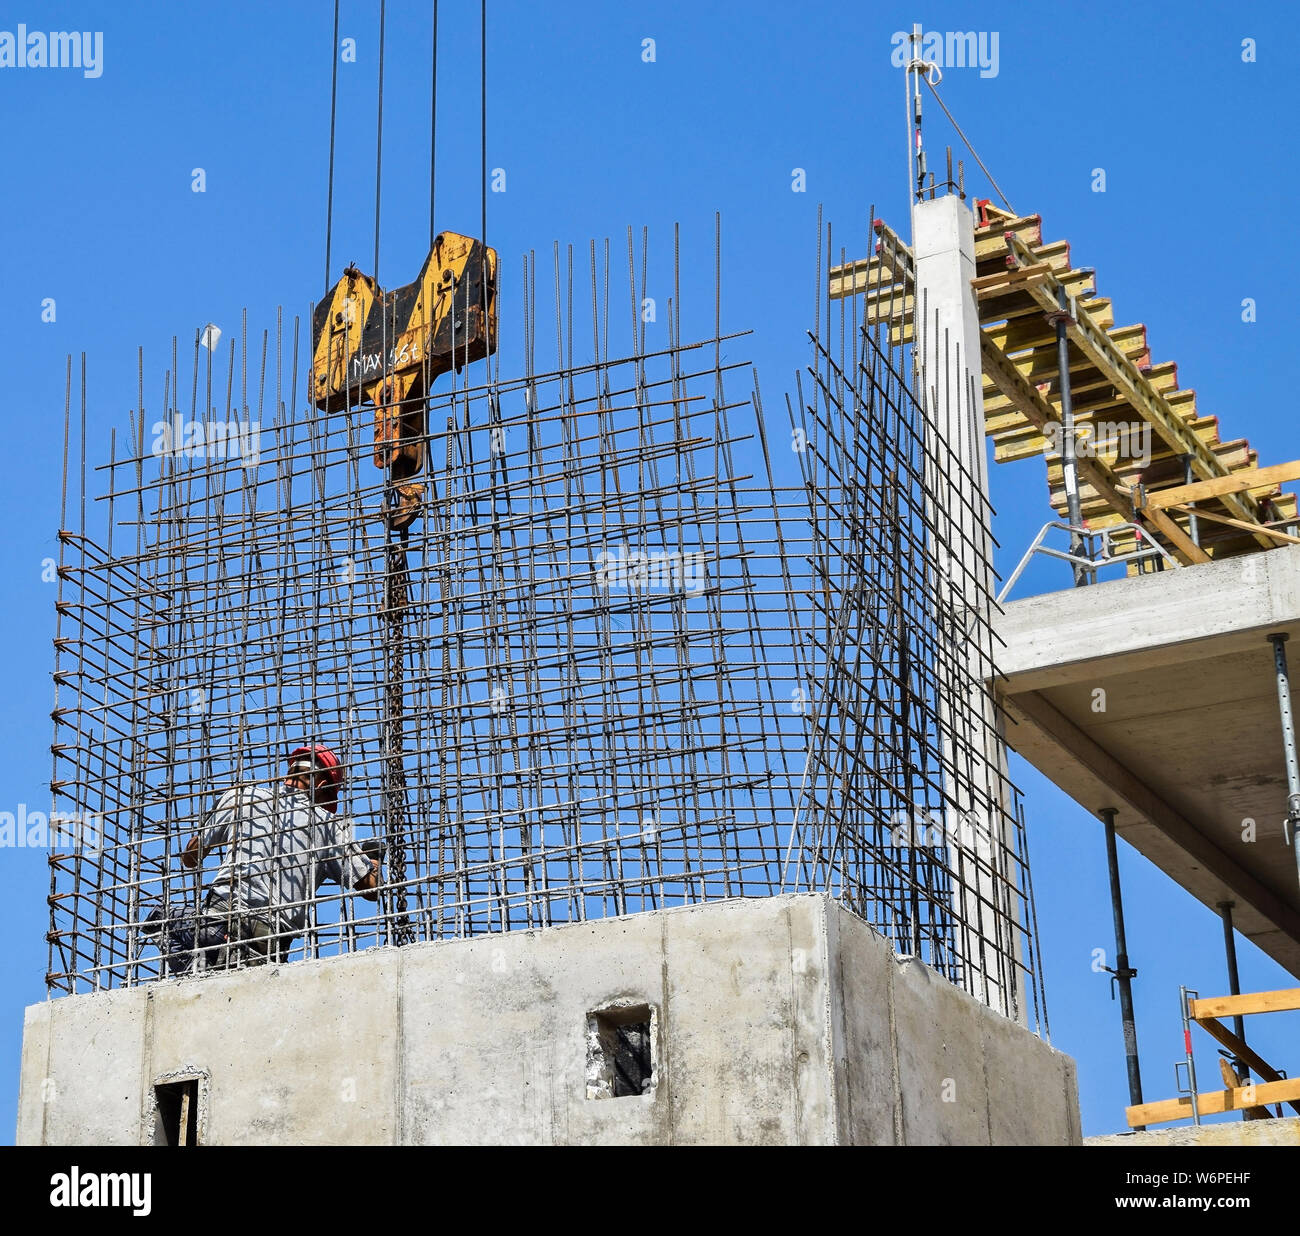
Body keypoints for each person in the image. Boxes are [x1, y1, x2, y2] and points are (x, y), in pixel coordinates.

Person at [146, 745, 380, 974]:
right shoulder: (328, 825)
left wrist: (209, 831)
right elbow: (371, 890)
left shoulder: (243, 796)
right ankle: (210, 967)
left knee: (161, 921)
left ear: (290, 772)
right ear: (321, 786)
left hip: (217, 922)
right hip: (268, 942)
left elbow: (190, 858)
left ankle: (199, 968)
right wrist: (373, 861)